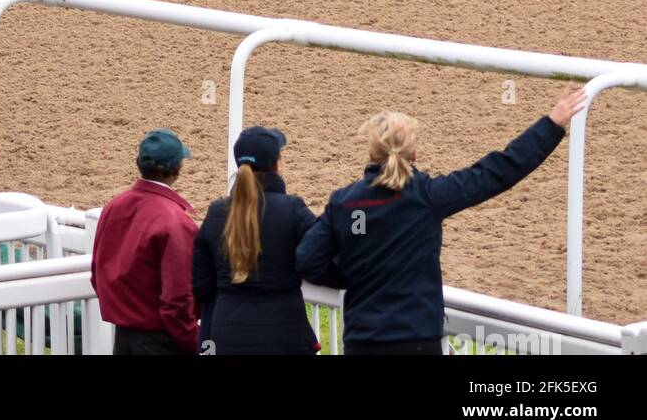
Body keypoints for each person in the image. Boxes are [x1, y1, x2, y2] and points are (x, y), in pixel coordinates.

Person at [295, 89, 588, 356]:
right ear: (414, 154)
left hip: (364, 341)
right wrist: (551, 123)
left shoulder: (345, 203)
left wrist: (347, 277)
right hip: (418, 339)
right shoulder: (428, 196)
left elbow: (308, 259)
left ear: (371, 153)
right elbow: (497, 171)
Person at [192, 126, 318, 356]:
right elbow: (320, 260)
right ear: (277, 164)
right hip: (285, 334)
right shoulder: (293, 210)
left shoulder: (217, 212)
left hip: (227, 334)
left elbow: (201, 286)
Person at [90, 129, 200, 356]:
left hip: (124, 336)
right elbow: (177, 298)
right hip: (162, 339)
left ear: (138, 162)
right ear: (178, 169)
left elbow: (97, 272)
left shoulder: (114, 206)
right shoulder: (176, 221)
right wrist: (193, 341)